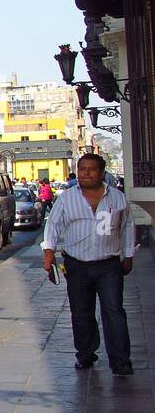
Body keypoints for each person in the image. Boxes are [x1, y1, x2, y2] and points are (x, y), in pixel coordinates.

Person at [42, 152, 134, 375]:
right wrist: (48, 251)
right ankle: (85, 354)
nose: (86, 173)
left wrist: (128, 255)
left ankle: (120, 361)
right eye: (82, 169)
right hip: (77, 265)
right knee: (81, 313)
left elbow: (128, 227)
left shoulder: (117, 198)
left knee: (113, 311)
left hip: (108, 265)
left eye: (92, 169)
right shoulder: (66, 198)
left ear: (102, 172)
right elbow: (53, 225)